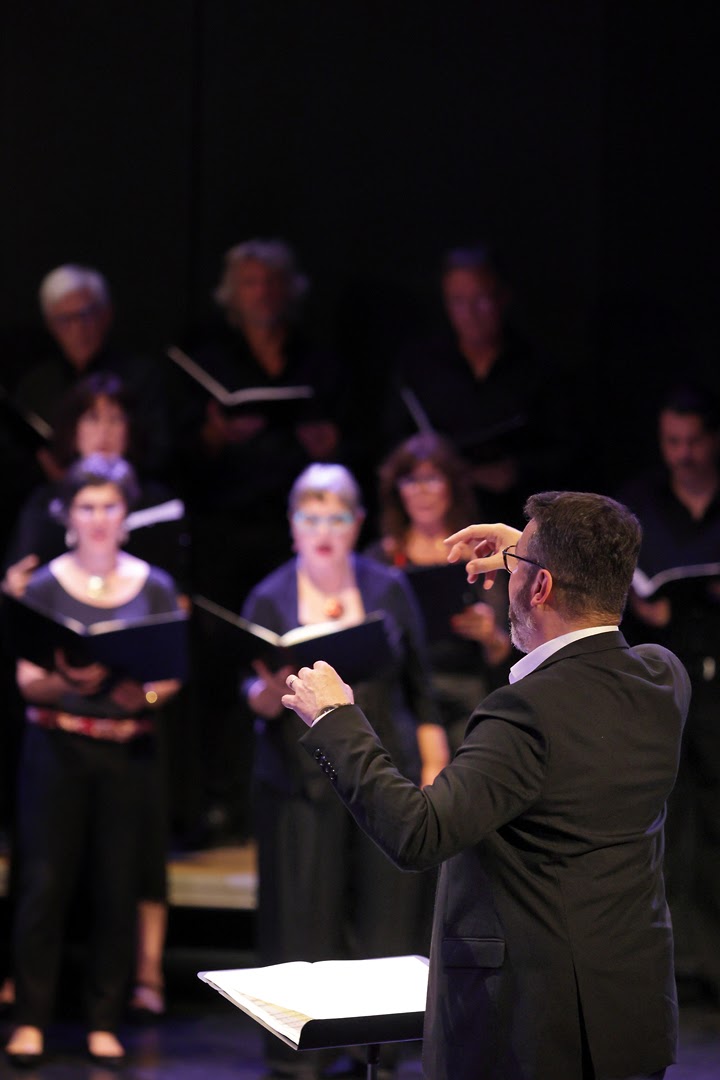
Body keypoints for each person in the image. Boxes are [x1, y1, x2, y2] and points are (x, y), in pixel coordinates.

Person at [283, 490, 691, 1080]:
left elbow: (417, 833)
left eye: (520, 568)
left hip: (532, 1032)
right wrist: (529, 558)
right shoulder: (662, 676)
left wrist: (334, 721)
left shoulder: (525, 712)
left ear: (542, 587)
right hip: (630, 1013)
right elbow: (590, 571)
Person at [240, 462, 448, 1079]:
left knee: (385, 912)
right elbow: (249, 692)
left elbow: (419, 684)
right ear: (292, 525)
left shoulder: (385, 586)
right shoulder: (271, 594)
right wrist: (265, 690)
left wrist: (434, 760)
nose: (323, 530)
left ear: (356, 523)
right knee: (301, 910)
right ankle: (295, 1054)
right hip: (298, 777)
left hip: (378, 764)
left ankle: (375, 1050)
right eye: (310, 517)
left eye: (336, 516)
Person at [1, 373, 190, 1021]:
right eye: (86, 507)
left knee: (116, 887)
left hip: (125, 748)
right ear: (68, 516)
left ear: (126, 516)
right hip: (56, 745)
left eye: (110, 507)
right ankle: (30, 1015)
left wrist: (145, 695)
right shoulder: (46, 587)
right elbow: (28, 680)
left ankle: (106, 1018)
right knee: (45, 884)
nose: (99, 519)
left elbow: (170, 679)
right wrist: (73, 681)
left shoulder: (155, 584)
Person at [169, 239, 351, 845]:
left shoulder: (317, 361)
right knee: (226, 670)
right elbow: (181, 460)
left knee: (300, 664)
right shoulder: (208, 356)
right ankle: (223, 802)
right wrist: (216, 436)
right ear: (232, 294)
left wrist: (327, 446)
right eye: (250, 283)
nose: (263, 294)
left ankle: (308, 787)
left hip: (294, 540)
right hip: (226, 540)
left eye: (273, 282)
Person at [616, 382, 720, 1005]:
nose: (682, 455)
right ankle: (680, 962)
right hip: (668, 673)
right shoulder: (641, 504)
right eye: (671, 442)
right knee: (673, 817)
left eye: (694, 442)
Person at [384, 244, 581, 522]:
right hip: (437, 520)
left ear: (503, 298)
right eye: (458, 301)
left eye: (481, 298)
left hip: (517, 518)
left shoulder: (539, 368)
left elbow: (567, 451)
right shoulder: (418, 365)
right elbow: (394, 444)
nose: (470, 313)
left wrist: (515, 471)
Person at [365, 432, 512, 752]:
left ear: (451, 485)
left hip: (466, 686)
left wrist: (488, 634)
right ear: (396, 490)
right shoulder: (380, 558)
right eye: (409, 481)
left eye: (431, 479)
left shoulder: (480, 552)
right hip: (403, 694)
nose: (420, 492)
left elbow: (503, 651)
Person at [11, 264, 170, 484]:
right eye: (65, 320)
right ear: (50, 325)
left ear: (106, 315)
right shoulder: (35, 385)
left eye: (86, 315)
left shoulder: (142, 376)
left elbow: (161, 453)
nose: (78, 329)